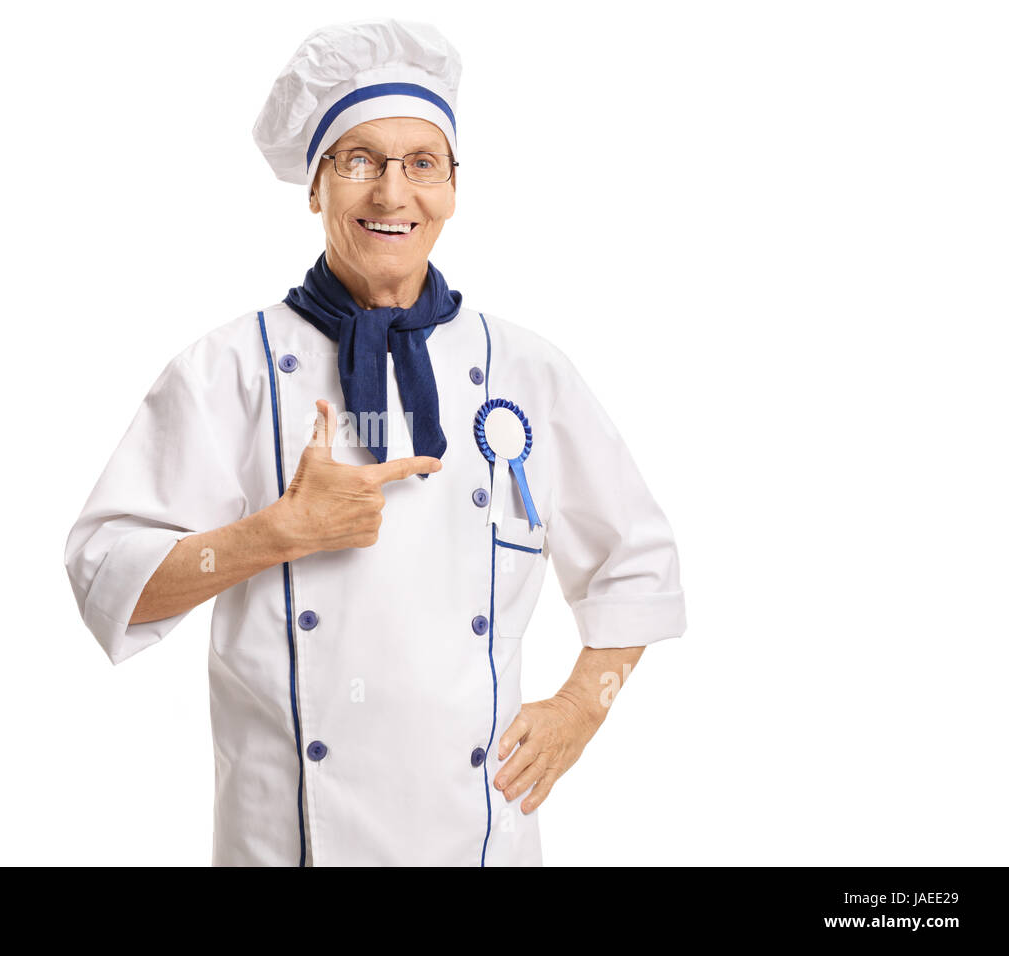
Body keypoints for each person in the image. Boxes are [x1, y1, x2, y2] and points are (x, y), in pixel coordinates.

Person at [63, 17, 687, 866]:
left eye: (421, 163)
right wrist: (274, 535)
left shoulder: (526, 370)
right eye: (358, 161)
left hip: (483, 836)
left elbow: (638, 564)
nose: (392, 195)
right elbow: (110, 579)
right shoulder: (230, 369)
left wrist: (583, 705)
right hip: (288, 840)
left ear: (454, 187)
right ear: (315, 188)